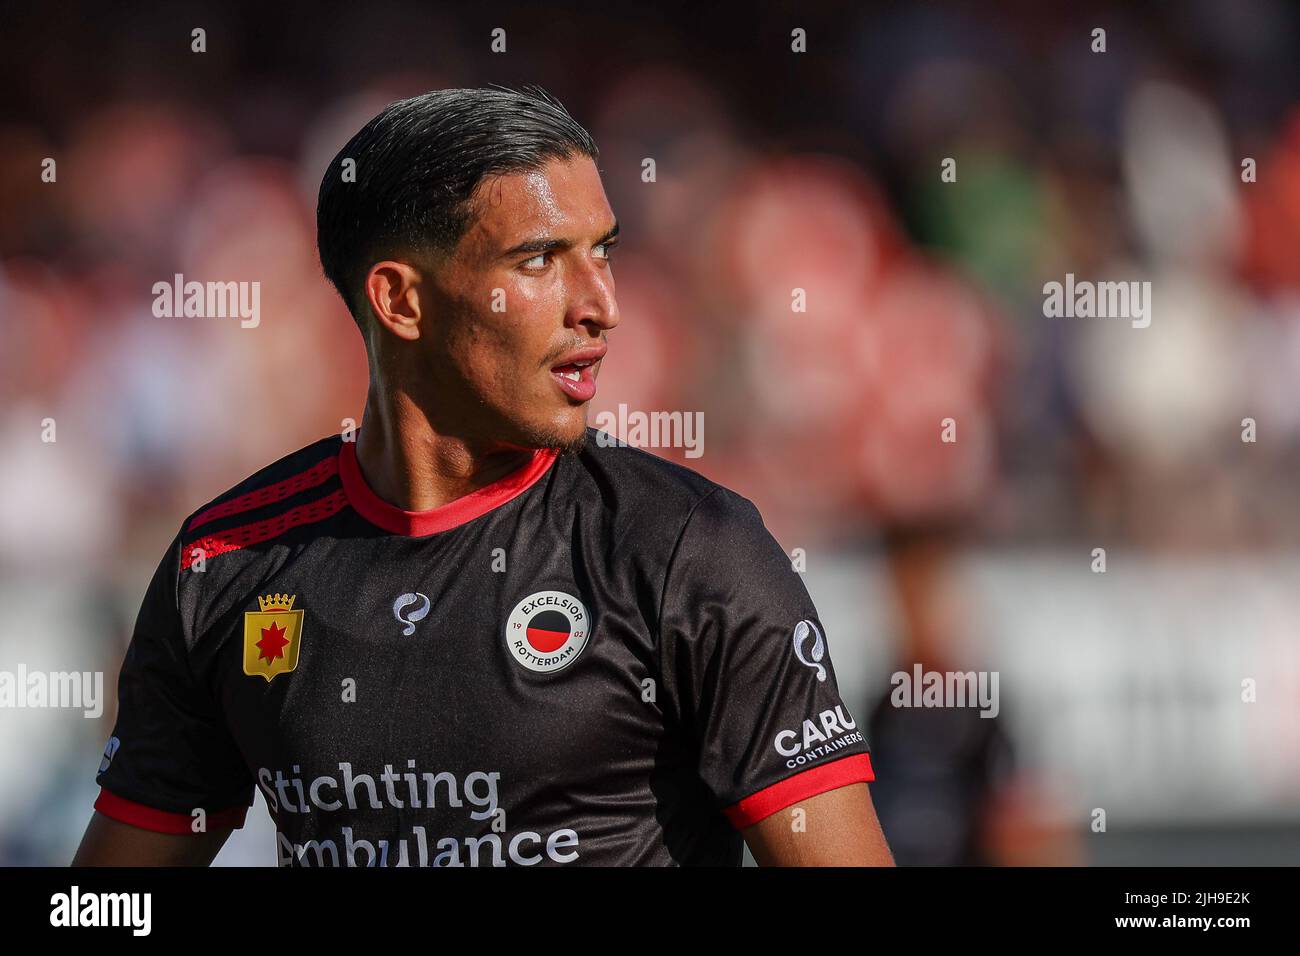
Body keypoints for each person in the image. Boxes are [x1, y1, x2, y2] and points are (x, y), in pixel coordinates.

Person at [72, 86, 893, 867]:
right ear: (401, 302)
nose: (601, 304)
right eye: (540, 260)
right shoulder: (227, 565)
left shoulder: (687, 551)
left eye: (602, 251)